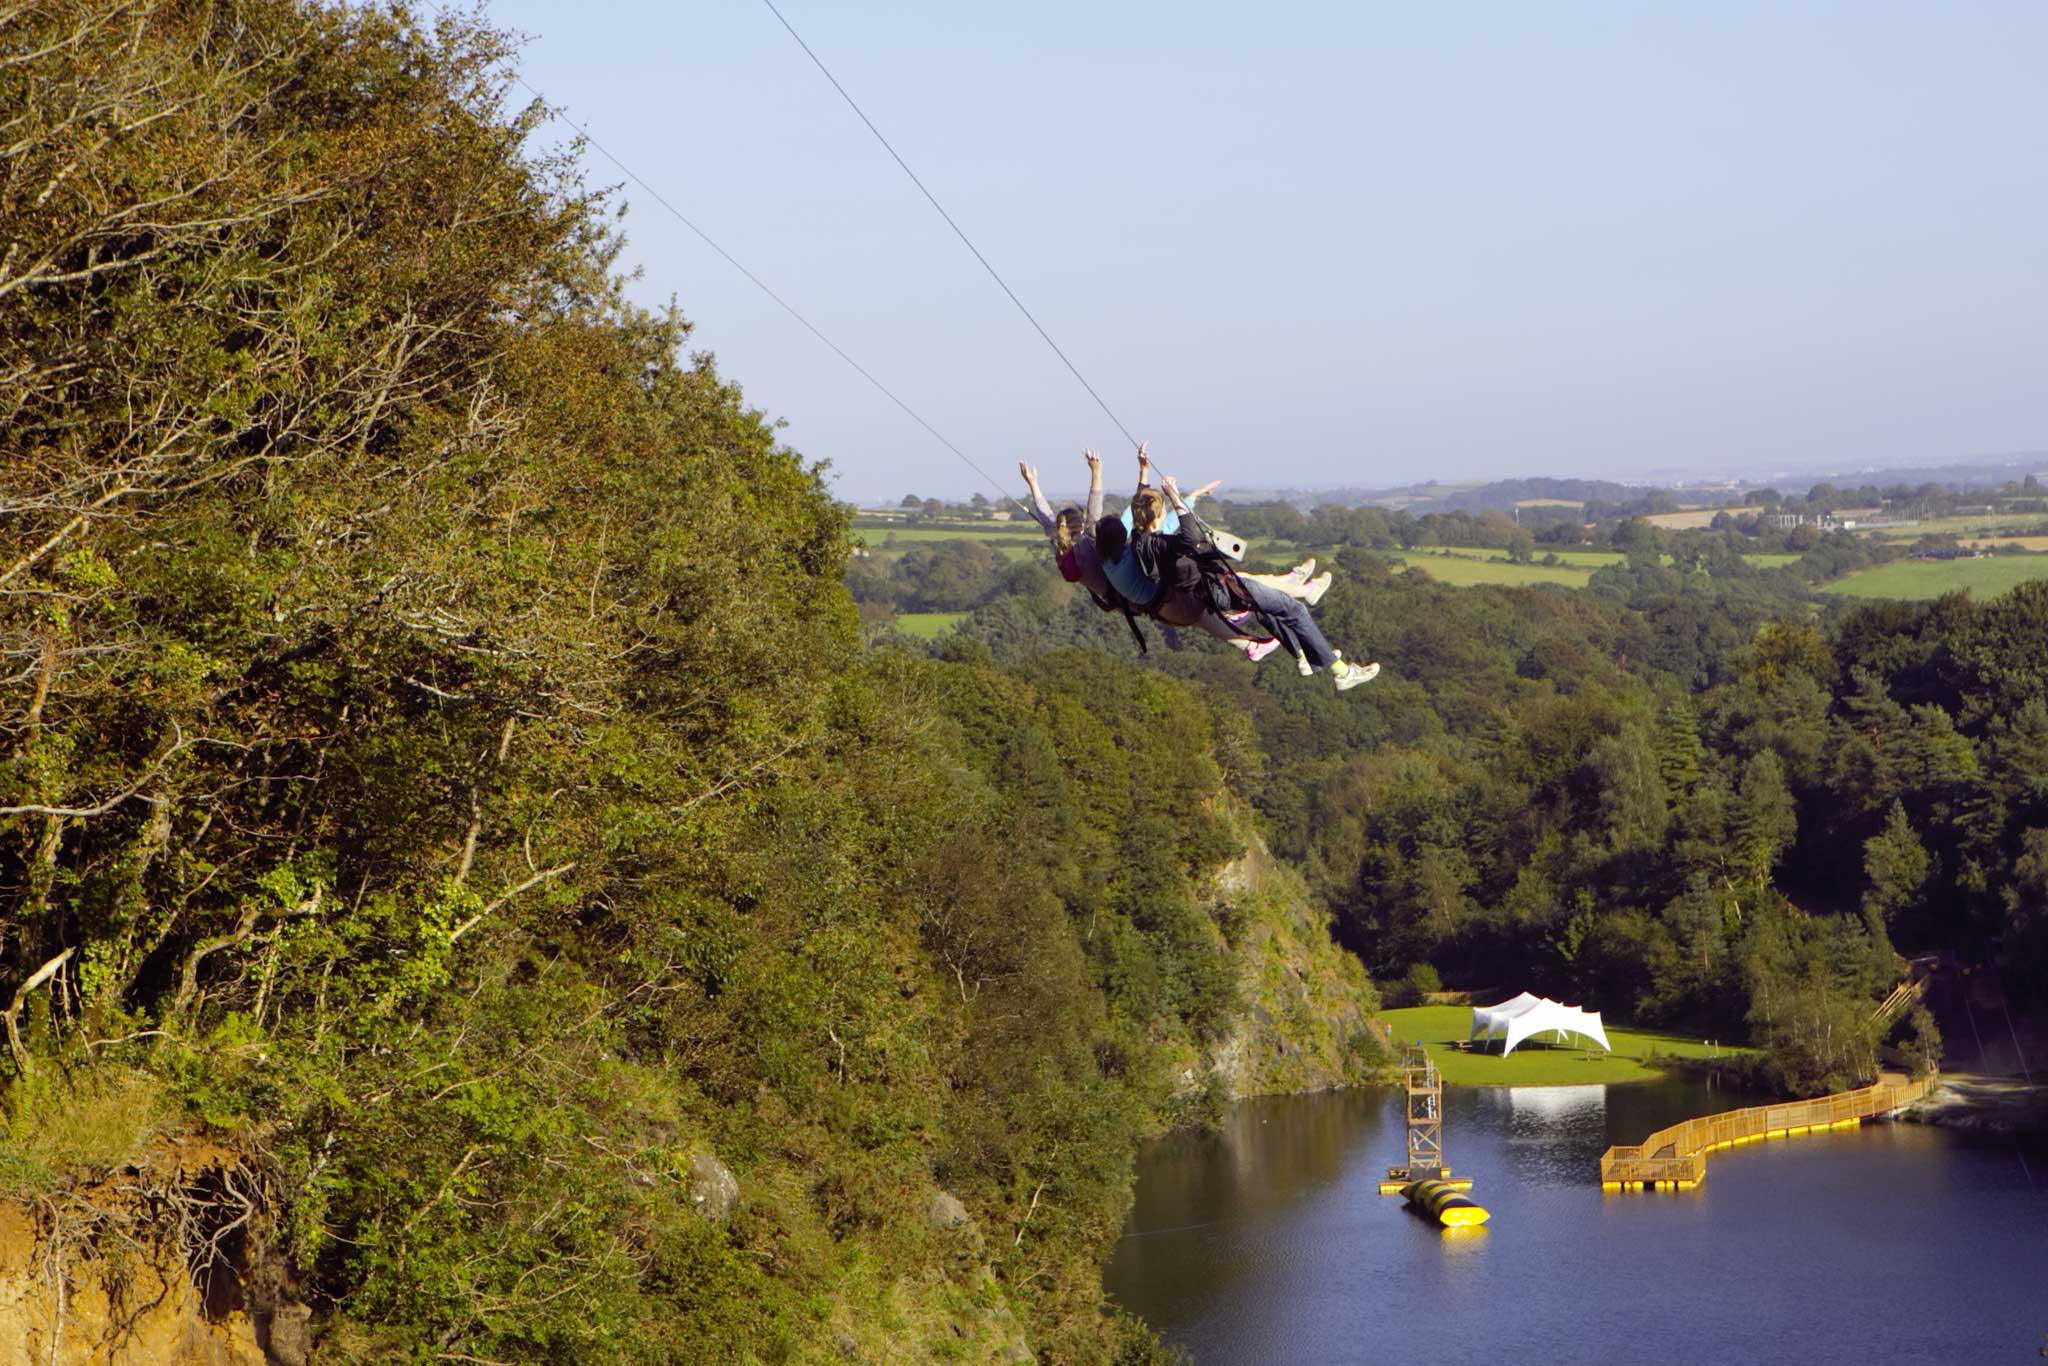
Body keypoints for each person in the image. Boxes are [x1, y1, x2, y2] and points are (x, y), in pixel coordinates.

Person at [1020, 448, 1309, 660]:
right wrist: (1096, 472)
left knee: (1200, 611)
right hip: (1141, 595)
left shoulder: (1064, 551)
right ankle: (1276, 604)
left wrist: (1034, 486)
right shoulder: (1094, 542)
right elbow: (1106, 506)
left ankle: (1250, 627)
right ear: (1080, 525)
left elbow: (1049, 518)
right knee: (1212, 589)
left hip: (1124, 600)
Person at [1105, 476, 1379, 691]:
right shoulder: (1160, 544)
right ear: (1156, 516)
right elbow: (1188, 536)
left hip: (1211, 593)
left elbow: (1152, 516)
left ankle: (1304, 654)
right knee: (1294, 610)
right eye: (1163, 510)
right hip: (1219, 591)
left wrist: (1157, 482)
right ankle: (1341, 672)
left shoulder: (1139, 543)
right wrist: (1176, 498)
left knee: (1267, 607)